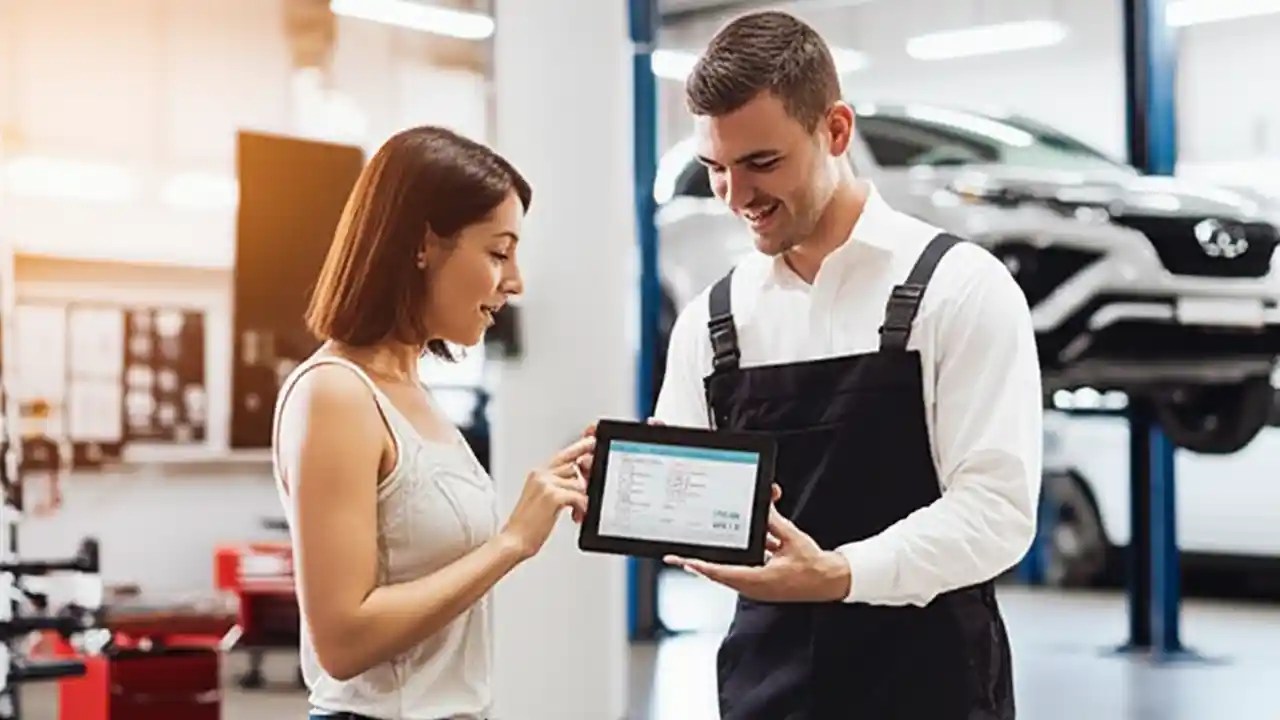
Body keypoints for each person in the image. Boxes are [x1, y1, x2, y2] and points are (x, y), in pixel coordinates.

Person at [637, 11, 1042, 720]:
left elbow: (997, 511)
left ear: (836, 130)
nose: (737, 197)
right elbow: (701, 518)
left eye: (762, 163)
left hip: (931, 686)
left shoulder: (959, 288)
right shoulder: (713, 319)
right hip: (767, 688)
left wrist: (839, 574)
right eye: (716, 171)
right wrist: (643, 490)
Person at [272, 126, 593, 720]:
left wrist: (550, 488)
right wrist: (511, 544)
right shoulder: (336, 394)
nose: (515, 281)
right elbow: (342, 642)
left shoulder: (411, 391)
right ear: (423, 245)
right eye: (498, 253)